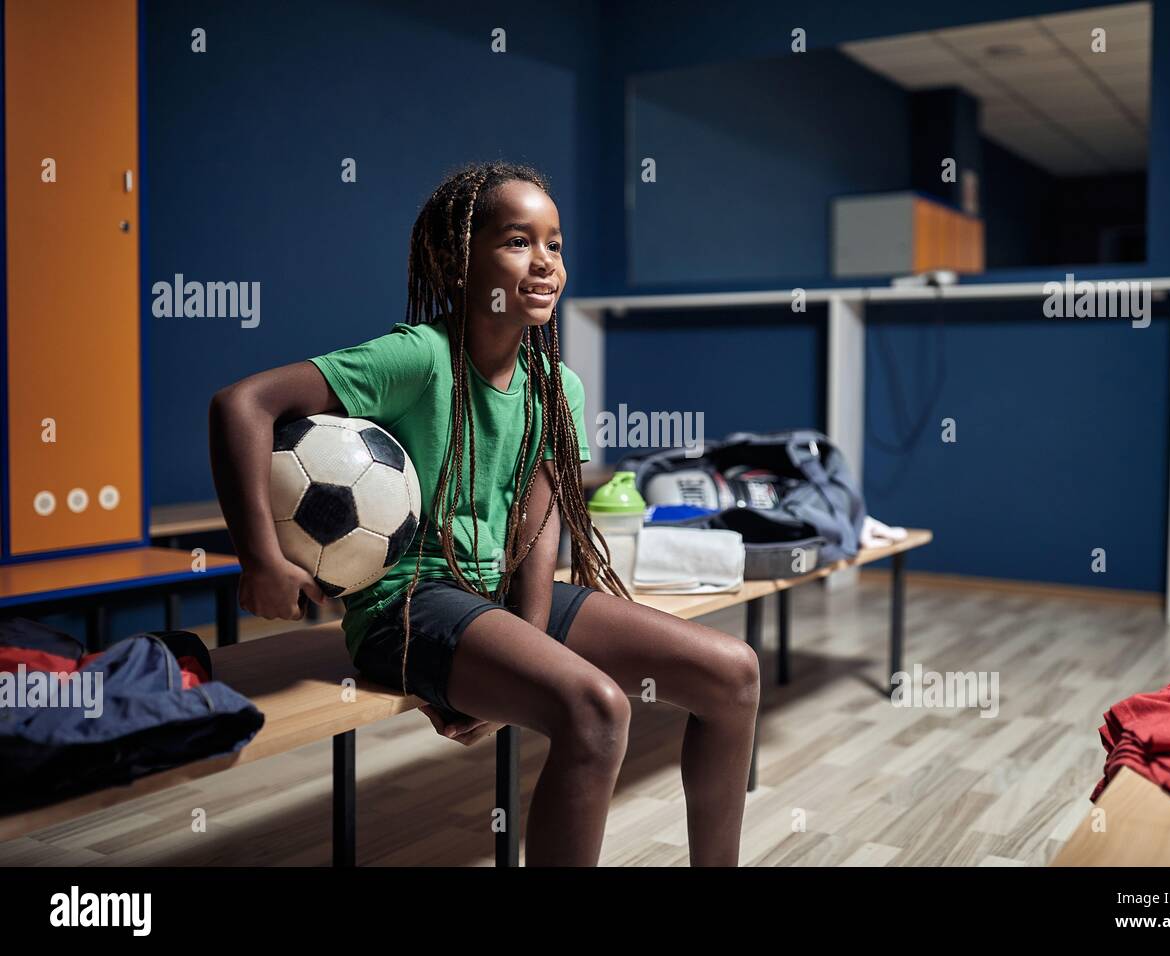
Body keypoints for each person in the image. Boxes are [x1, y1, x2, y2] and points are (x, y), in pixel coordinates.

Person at [208, 160, 760, 866]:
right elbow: (241, 405)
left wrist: (528, 652)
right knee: (597, 710)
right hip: (406, 605)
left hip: (496, 596)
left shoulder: (556, 385)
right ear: (456, 259)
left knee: (734, 673)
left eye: (554, 244)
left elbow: (539, 530)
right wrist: (260, 558)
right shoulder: (417, 357)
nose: (544, 264)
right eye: (517, 241)